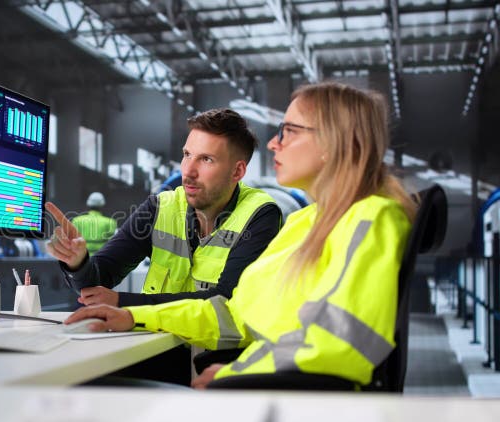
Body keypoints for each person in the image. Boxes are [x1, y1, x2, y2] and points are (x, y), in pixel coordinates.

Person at [63, 82, 417, 389]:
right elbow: (232, 315)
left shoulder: (371, 216)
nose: (275, 145)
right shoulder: (307, 222)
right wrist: (134, 315)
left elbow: (342, 344)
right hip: (264, 381)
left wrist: (239, 375)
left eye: (290, 132)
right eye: (187, 155)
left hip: (295, 399)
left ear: (333, 142)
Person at [46, 108, 282, 308]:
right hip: (160, 348)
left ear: (237, 172)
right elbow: (96, 284)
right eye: (187, 155)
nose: (188, 171)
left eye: (206, 159)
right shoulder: (159, 207)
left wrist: (123, 303)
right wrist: (77, 263)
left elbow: (224, 301)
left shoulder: (260, 215)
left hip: (220, 358)